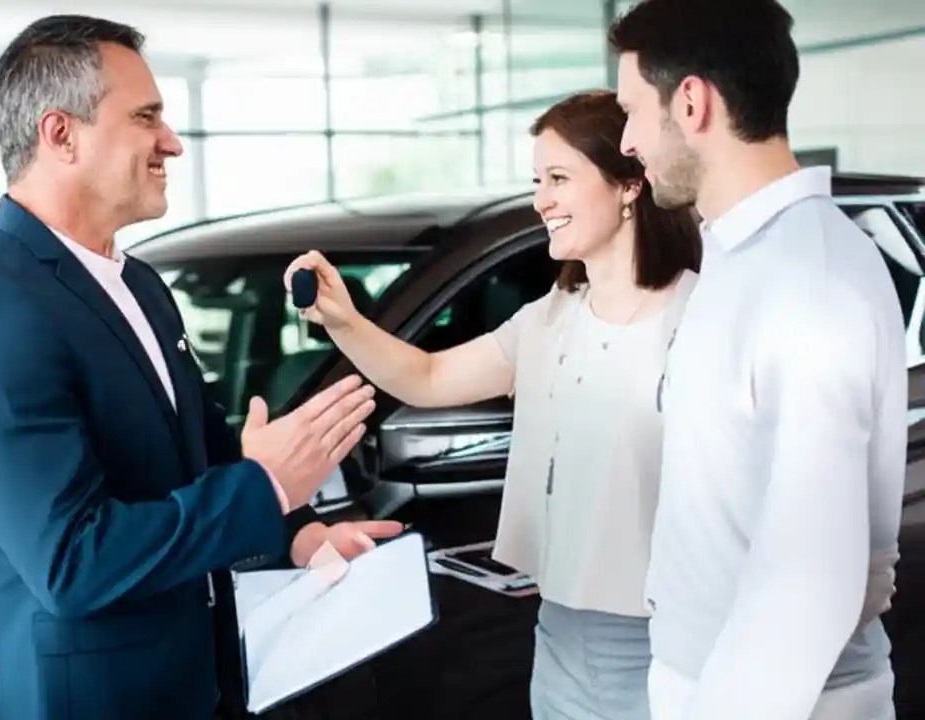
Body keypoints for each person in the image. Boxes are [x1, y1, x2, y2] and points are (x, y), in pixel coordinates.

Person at [0, 15, 400, 720]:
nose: (171, 141)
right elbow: (71, 564)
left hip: (198, 687)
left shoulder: (140, 283)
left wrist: (297, 531)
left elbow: (197, 454)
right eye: (145, 117)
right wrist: (264, 486)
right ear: (61, 134)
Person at [285, 90, 702, 719]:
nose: (542, 201)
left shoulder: (697, 316)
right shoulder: (551, 318)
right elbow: (427, 377)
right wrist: (344, 320)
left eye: (559, 178)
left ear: (629, 184)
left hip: (661, 639)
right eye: (538, 181)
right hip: (557, 635)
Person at [610, 1, 904, 718]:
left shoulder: (806, 281)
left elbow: (811, 579)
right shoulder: (747, 256)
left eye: (632, 112)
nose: (626, 142)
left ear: (691, 102)